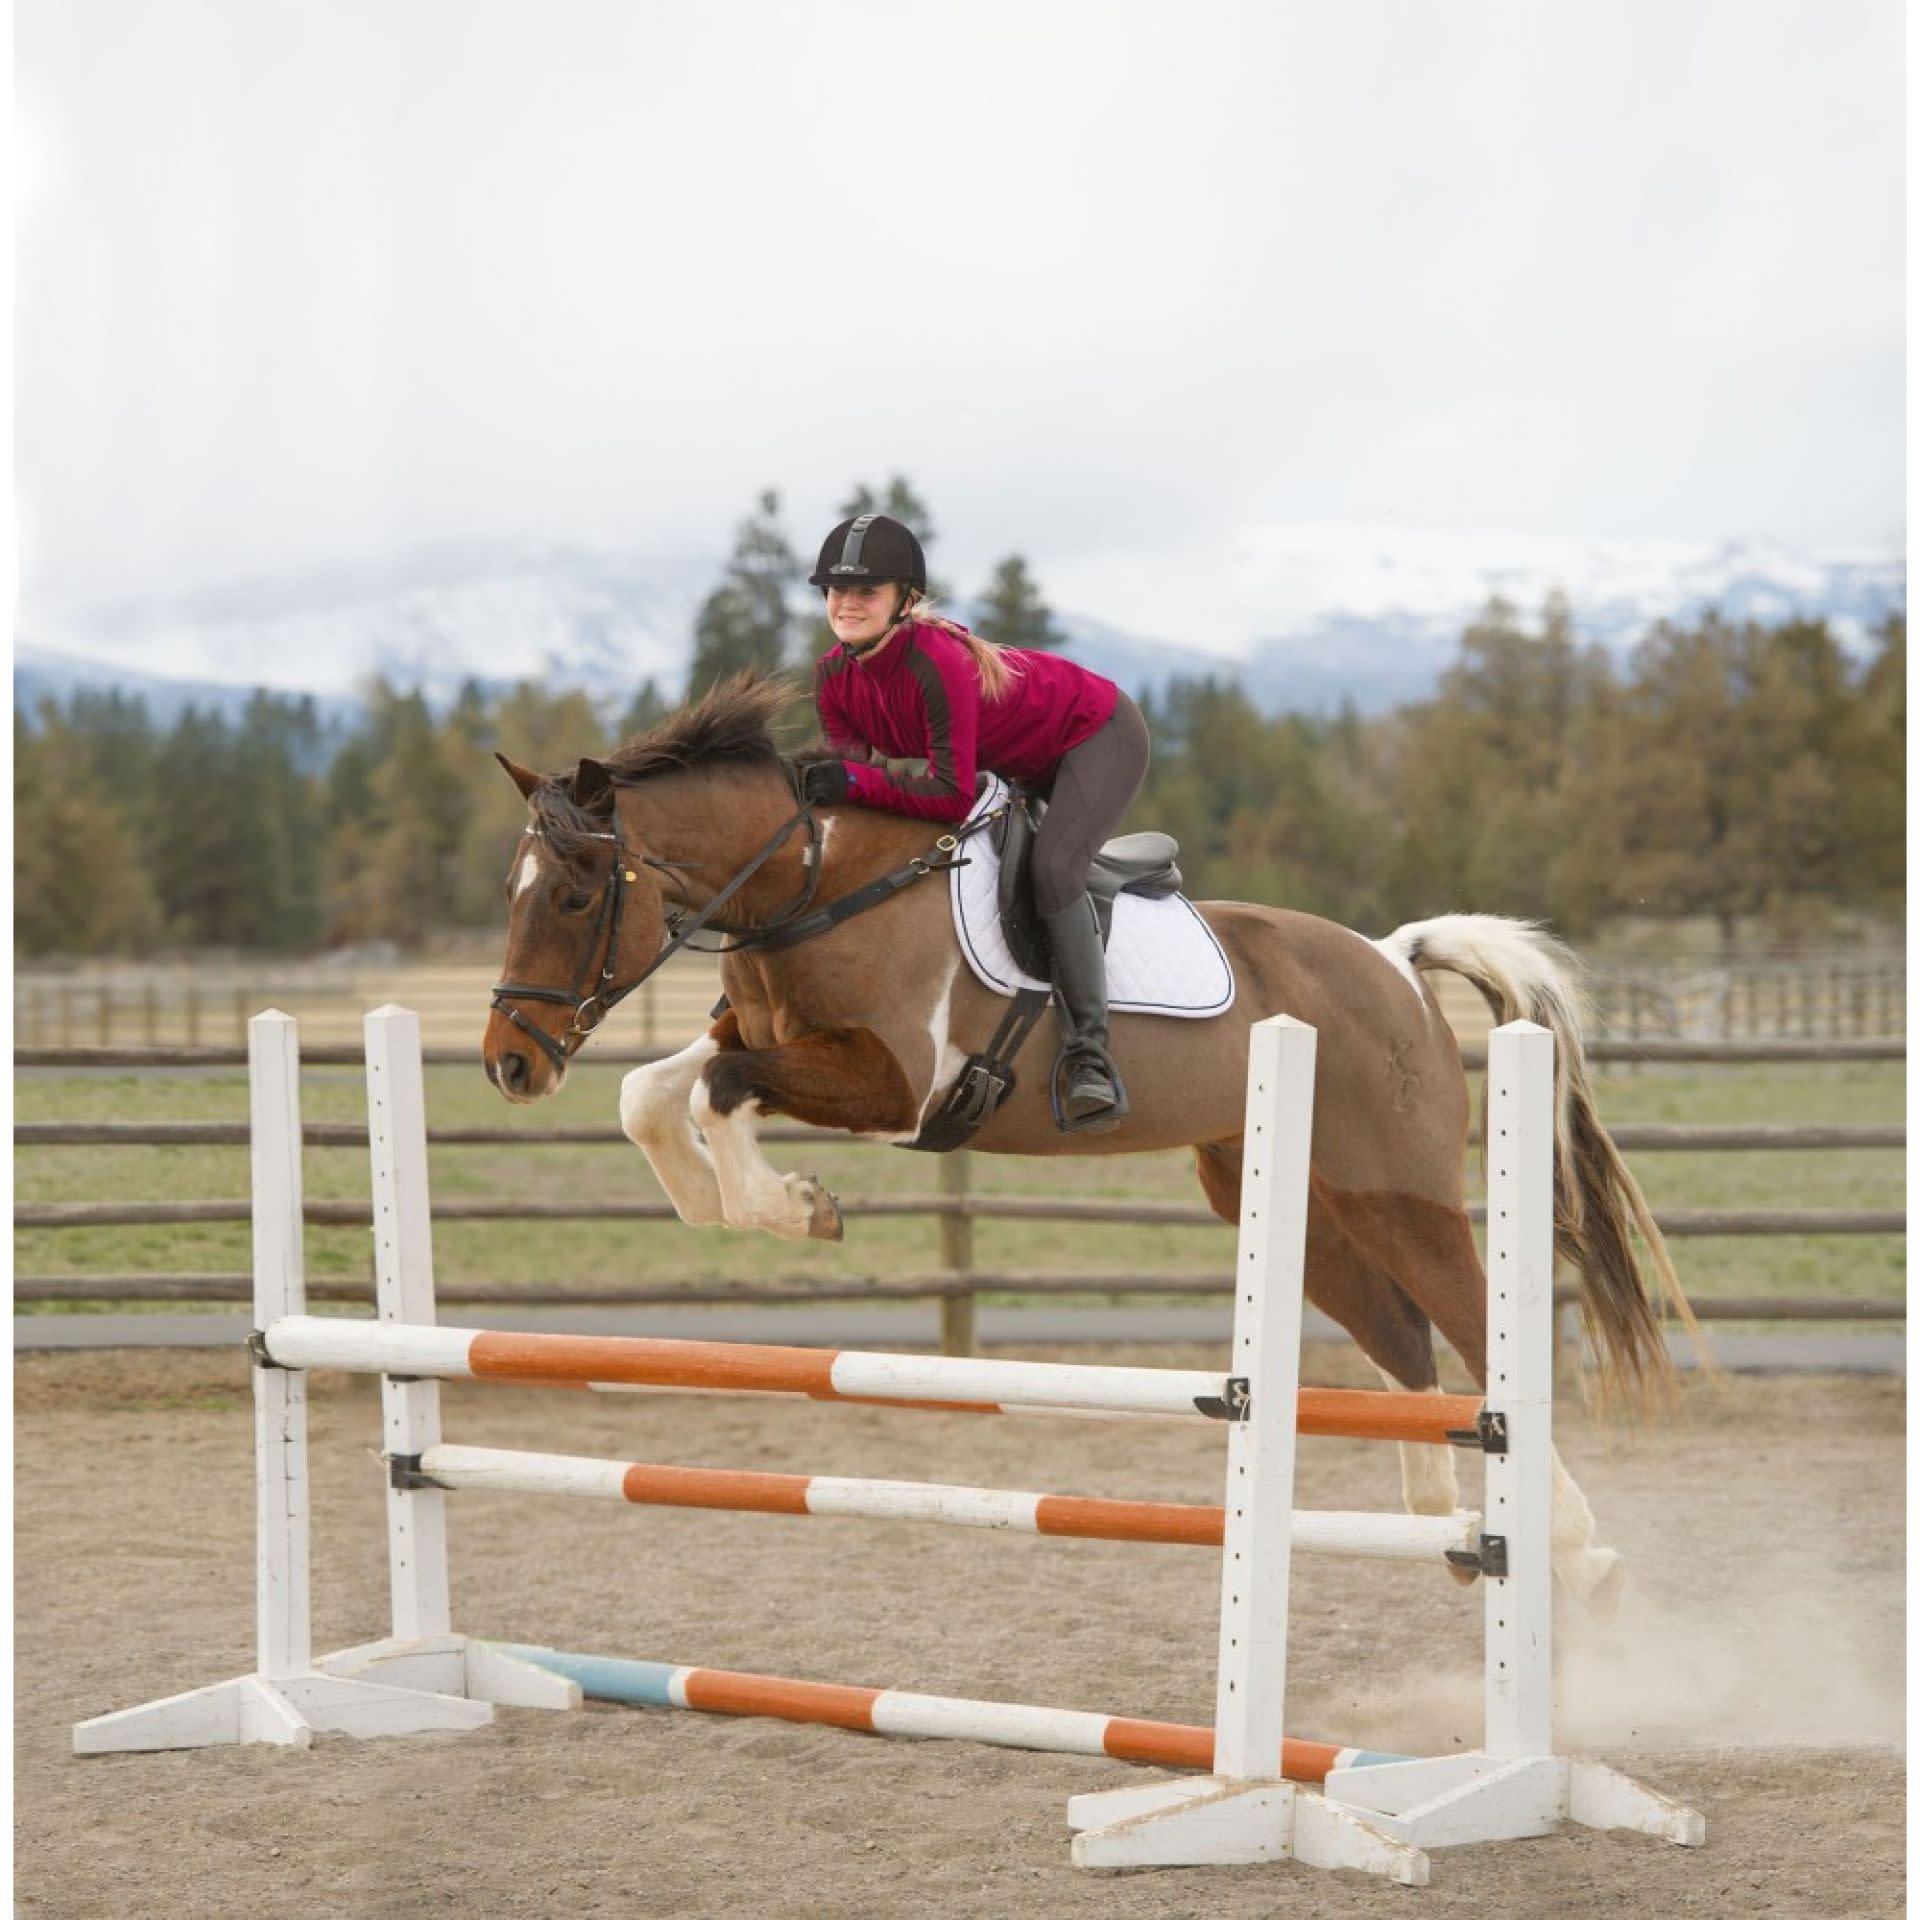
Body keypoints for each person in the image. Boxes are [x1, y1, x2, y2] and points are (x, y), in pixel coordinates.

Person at [800, 512, 1150, 1133]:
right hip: (1016, 764)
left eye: (865, 592)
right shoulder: (833, 678)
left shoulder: (937, 663)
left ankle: (1089, 1055)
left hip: (1097, 736)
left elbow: (948, 794)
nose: (846, 604)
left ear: (904, 601)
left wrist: (853, 780)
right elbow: (861, 803)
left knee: (1054, 869)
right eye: (835, 591)